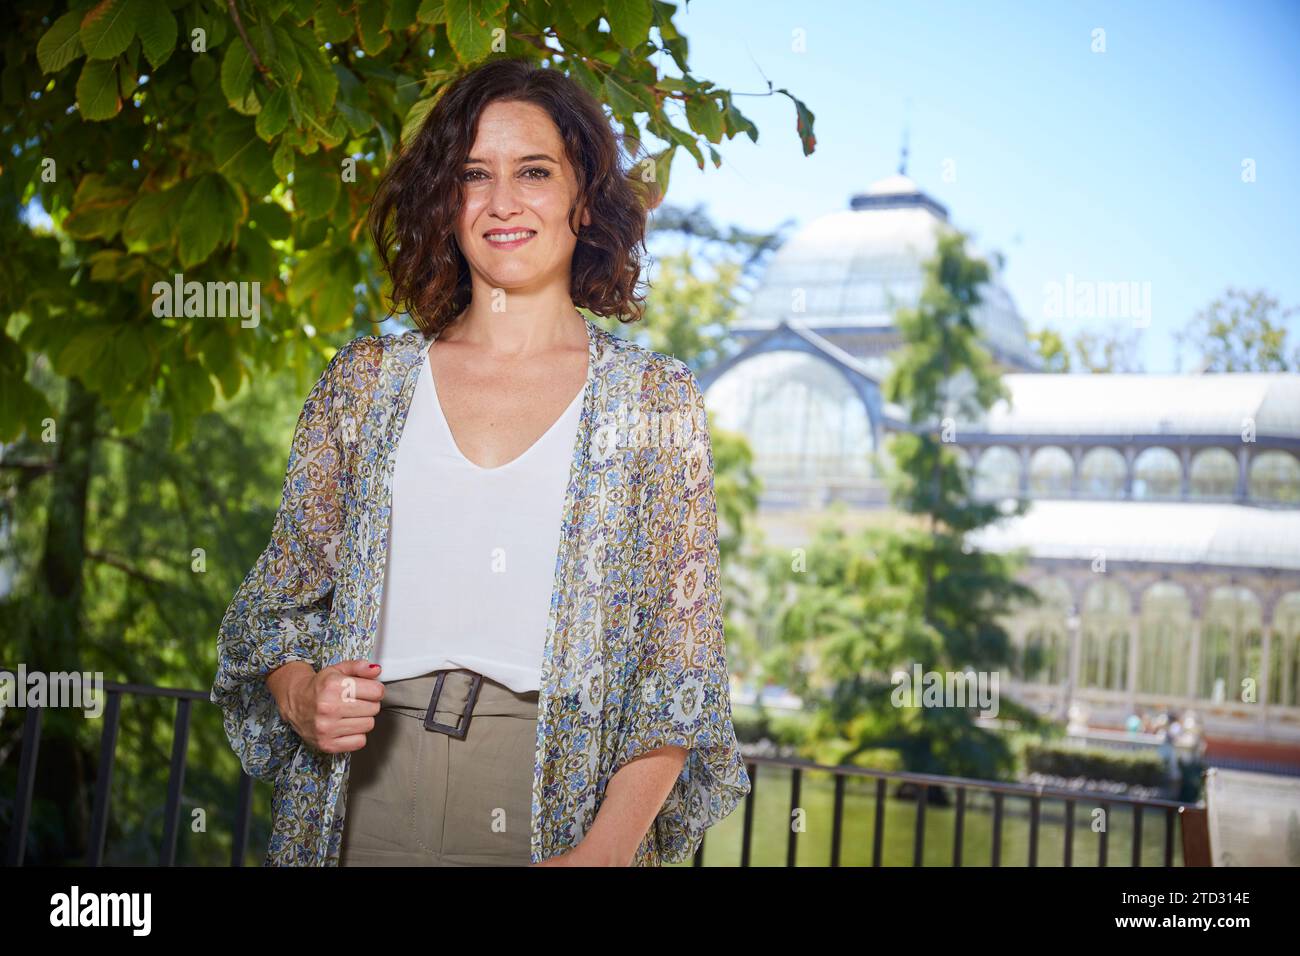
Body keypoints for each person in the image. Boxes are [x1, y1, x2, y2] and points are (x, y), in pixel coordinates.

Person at [211, 57, 751, 867]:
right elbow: (273, 611)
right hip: (360, 790)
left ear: (583, 197)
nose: (502, 202)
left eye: (534, 171)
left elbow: (680, 667)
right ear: (445, 200)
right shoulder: (365, 383)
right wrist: (300, 695)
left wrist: (607, 851)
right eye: (473, 174)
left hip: (555, 805)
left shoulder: (654, 402)